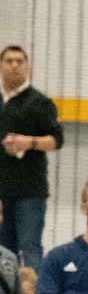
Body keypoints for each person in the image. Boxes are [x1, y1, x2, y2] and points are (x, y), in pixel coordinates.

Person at [0, 45, 62, 272]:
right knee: (3, 250)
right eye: (9, 61)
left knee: (29, 248)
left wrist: (29, 142)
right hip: (1, 193)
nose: (14, 65)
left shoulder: (40, 102)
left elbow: (57, 141)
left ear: (28, 67)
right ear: (1, 66)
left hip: (30, 193)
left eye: (19, 61)